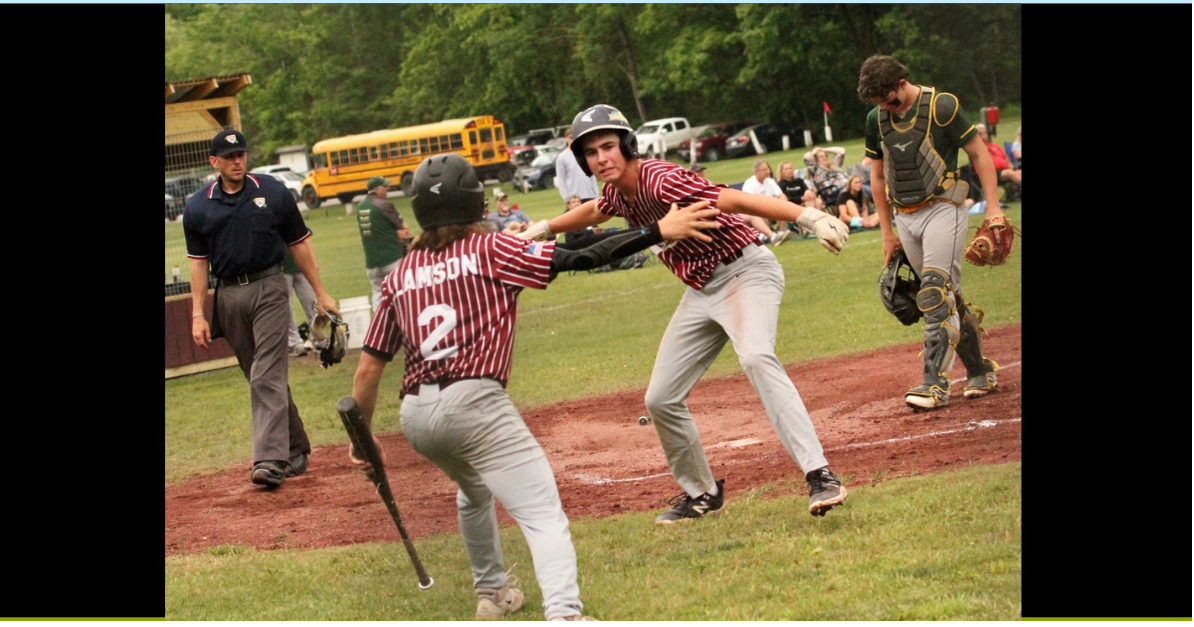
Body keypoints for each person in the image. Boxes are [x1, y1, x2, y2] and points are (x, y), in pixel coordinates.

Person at [350, 153, 719, 621]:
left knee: (473, 488)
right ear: (477, 203)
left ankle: (493, 594)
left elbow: (367, 370)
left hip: (417, 417)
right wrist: (657, 231)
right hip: (474, 401)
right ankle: (565, 612)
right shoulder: (490, 249)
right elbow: (580, 255)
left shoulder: (401, 274)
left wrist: (362, 442)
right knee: (541, 510)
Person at [521, 104, 851, 523]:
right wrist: (545, 228)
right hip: (702, 289)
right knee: (660, 398)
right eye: (590, 152)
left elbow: (729, 198)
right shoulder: (618, 190)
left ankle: (820, 475)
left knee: (754, 356)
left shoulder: (659, 178)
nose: (601, 157)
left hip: (745, 270)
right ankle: (703, 494)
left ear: (626, 145)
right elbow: (596, 211)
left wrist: (807, 215)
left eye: (608, 146)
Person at [183, 128, 340, 487]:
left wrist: (320, 293)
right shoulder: (198, 205)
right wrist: (197, 313)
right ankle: (296, 449)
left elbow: (299, 243)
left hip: (270, 287)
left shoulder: (272, 191)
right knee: (257, 373)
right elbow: (197, 262)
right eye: (229, 156)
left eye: (241, 155)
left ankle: (270, 459)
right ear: (215, 162)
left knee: (266, 373)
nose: (237, 161)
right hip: (228, 296)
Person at [857, 54, 1003, 410]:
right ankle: (980, 371)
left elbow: (980, 155)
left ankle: (933, 384)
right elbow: (877, 176)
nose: (885, 108)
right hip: (904, 216)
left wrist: (995, 208)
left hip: (943, 208)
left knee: (934, 292)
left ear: (902, 83)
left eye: (889, 99)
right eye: (879, 103)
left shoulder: (942, 106)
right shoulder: (877, 119)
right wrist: (886, 233)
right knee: (947, 296)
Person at [357, 175, 413, 315]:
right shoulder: (384, 204)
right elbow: (402, 227)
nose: (388, 188)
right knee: (400, 291)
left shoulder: (361, 206)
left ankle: (379, 323)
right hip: (391, 256)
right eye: (385, 186)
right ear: (376, 189)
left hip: (371, 261)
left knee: (377, 293)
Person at [556, 126, 601, 243]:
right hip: (575, 198)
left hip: (589, 194)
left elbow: (591, 174)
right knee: (577, 226)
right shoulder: (562, 157)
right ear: (566, 138)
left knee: (593, 225)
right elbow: (561, 179)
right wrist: (566, 198)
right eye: (571, 137)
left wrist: (596, 193)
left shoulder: (583, 154)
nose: (573, 139)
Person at [740, 159, 790, 245]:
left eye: (768, 169)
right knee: (761, 210)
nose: (767, 171)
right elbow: (750, 203)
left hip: (771, 207)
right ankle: (768, 236)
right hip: (756, 211)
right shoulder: (749, 184)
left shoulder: (770, 181)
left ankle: (781, 233)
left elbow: (782, 195)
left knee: (784, 205)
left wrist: (782, 201)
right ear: (757, 172)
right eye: (764, 170)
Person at [281, 249, 318, 358]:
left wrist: (313, 260)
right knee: (287, 307)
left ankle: (319, 340)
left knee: (312, 303)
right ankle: (295, 344)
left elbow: (305, 240)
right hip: (282, 269)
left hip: (303, 266)